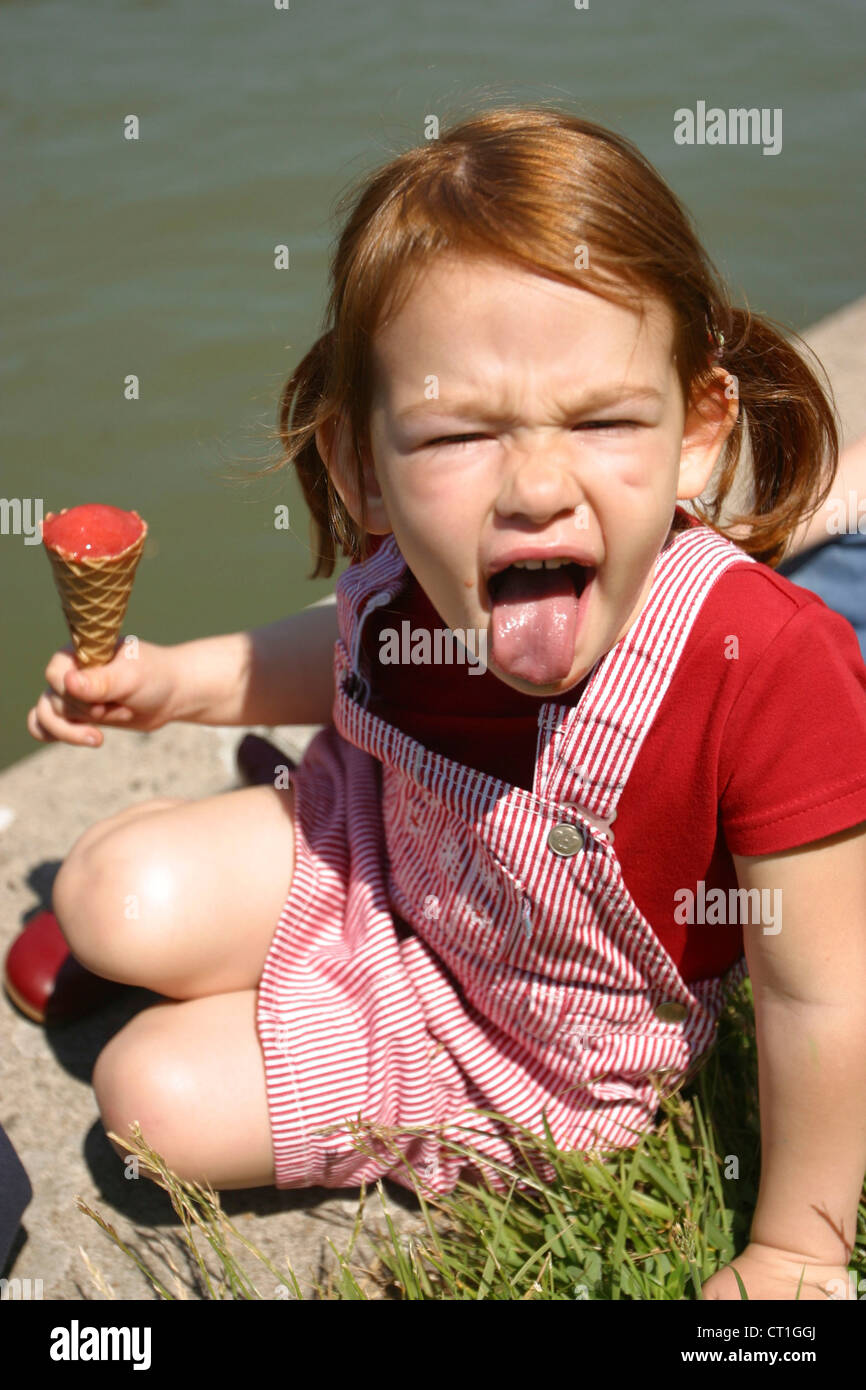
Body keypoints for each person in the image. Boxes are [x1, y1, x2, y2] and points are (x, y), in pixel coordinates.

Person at [20, 107, 866, 1301]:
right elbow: (352, 644)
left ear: (697, 430)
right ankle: (170, 942)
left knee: (145, 1102)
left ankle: (207, 973)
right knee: (110, 894)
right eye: (458, 432)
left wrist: (797, 1248)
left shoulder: (762, 663)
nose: (532, 485)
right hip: (388, 862)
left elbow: (821, 992)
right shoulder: (422, 577)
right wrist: (176, 683)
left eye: (604, 419)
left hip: (537, 1048)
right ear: (360, 463)